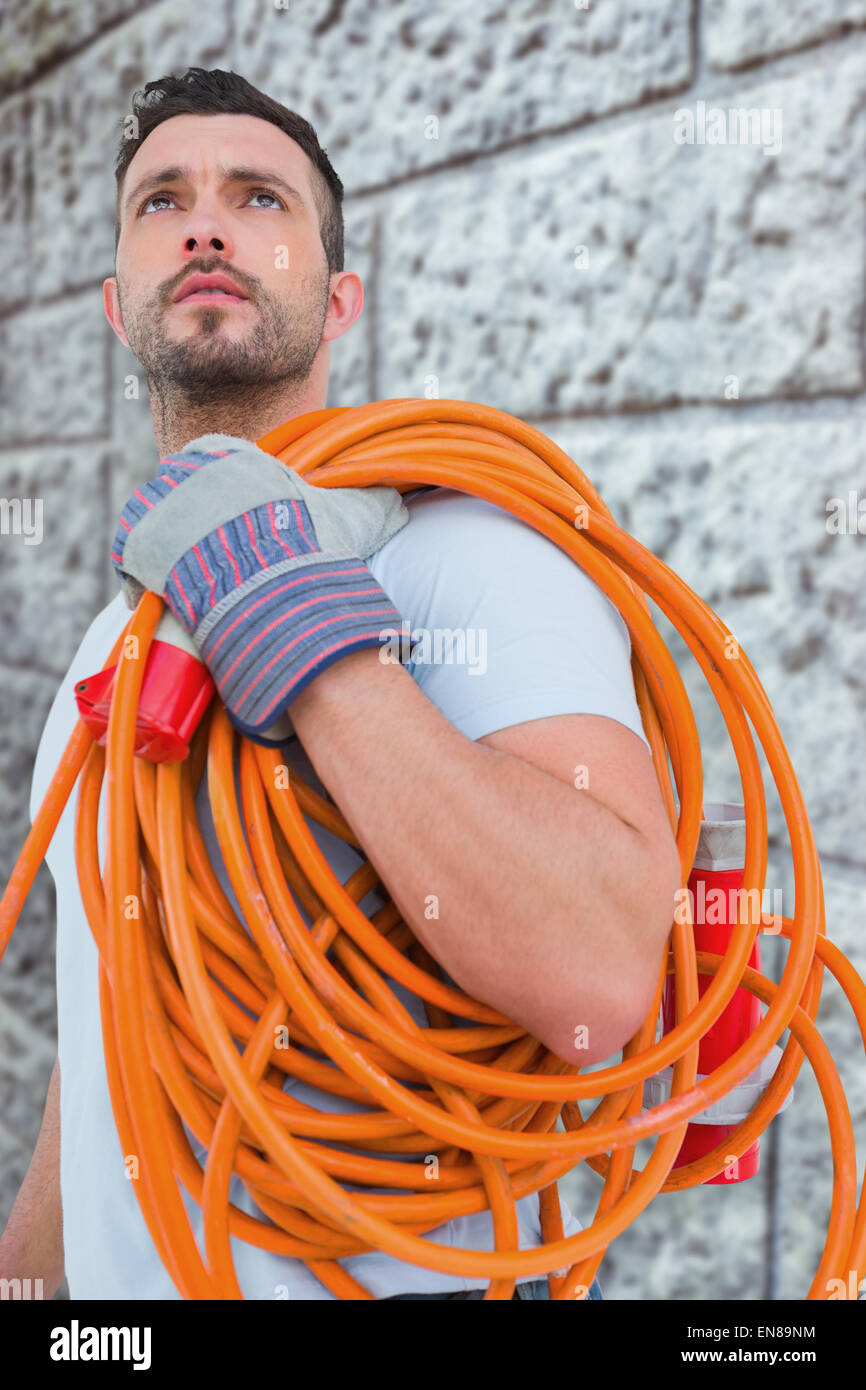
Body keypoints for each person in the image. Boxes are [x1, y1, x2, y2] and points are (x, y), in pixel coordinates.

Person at [0, 67, 680, 1301]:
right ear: (114, 303)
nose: (206, 224)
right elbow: (116, 1009)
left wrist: (294, 624)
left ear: (339, 295)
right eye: (163, 201)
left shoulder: (470, 561)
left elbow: (596, 973)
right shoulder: (115, 645)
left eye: (260, 197)